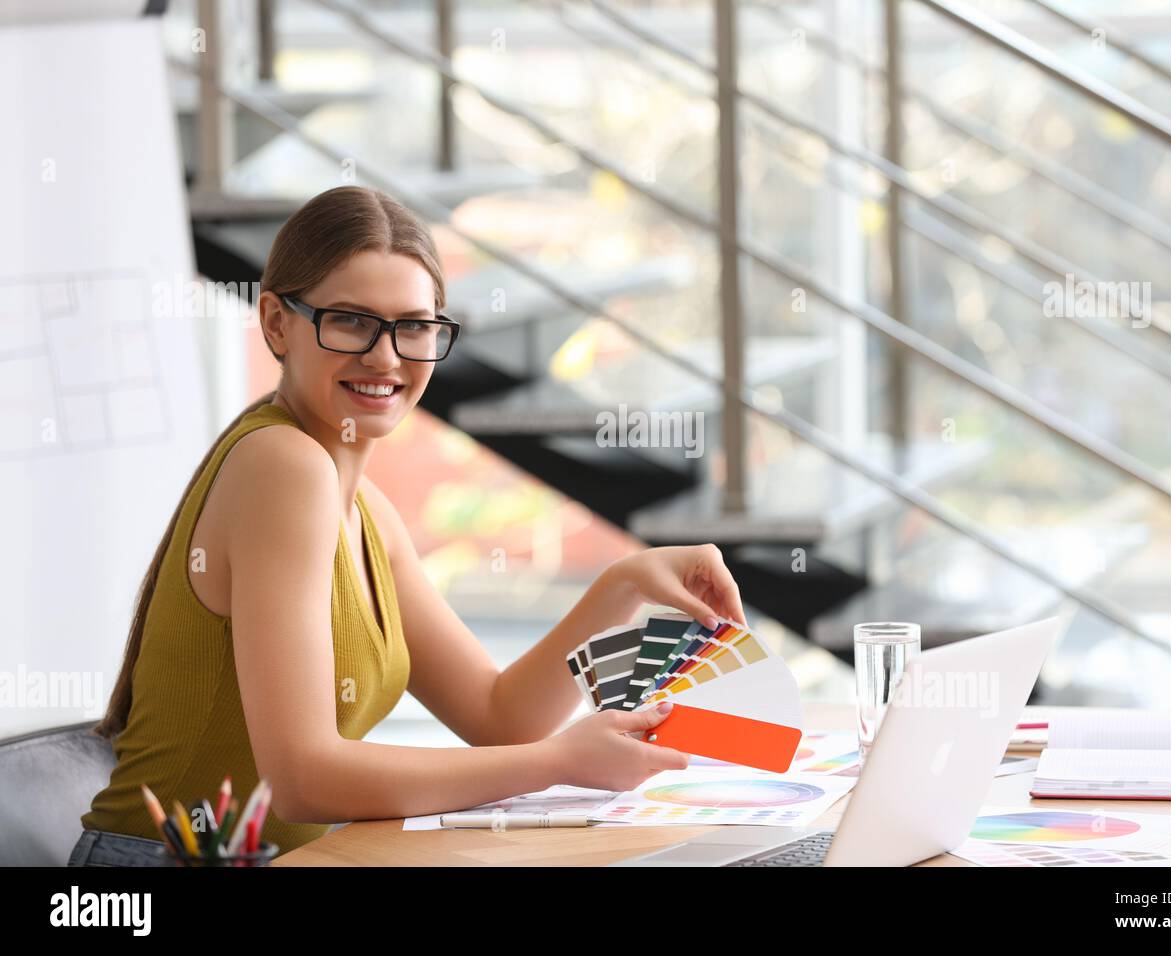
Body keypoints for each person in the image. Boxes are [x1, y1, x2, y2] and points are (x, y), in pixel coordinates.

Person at [70, 185, 747, 866]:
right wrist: (554, 763)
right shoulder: (283, 465)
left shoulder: (363, 511)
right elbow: (304, 779)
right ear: (276, 323)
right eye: (351, 322)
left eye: (415, 326)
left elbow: (497, 717)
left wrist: (623, 584)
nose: (387, 358)